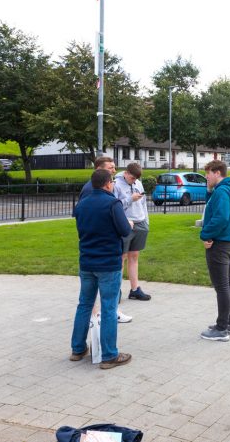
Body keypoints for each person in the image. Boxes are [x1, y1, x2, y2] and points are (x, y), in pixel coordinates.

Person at [69, 168, 134, 369]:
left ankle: (78, 348)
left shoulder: (82, 205)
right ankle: (109, 355)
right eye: (112, 182)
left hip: (87, 261)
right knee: (108, 307)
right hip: (108, 262)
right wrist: (129, 224)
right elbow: (124, 231)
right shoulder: (112, 203)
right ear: (107, 184)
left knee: (85, 304)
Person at [78, 156, 132, 324]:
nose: (114, 171)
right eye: (110, 168)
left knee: (86, 303)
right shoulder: (92, 193)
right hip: (104, 257)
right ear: (99, 171)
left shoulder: (94, 197)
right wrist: (125, 224)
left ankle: (79, 346)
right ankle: (98, 321)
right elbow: (94, 223)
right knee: (97, 304)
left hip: (90, 257)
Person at [199, 160, 230, 342]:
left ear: (217, 173)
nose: (206, 177)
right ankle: (228, 323)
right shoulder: (228, 189)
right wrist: (209, 190)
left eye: (208, 173)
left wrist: (205, 234)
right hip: (229, 242)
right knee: (228, 284)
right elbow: (213, 207)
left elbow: (220, 217)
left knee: (222, 286)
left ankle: (221, 328)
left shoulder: (222, 191)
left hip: (220, 244)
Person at [114, 162, 151, 301]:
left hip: (140, 222)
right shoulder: (116, 184)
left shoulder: (138, 184)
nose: (134, 181)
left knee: (134, 256)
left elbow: (143, 204)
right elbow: (114, 206)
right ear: (126, 173)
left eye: (136, 179)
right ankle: (116, 291)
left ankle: (135, 289)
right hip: (125, 224)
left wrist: (146, 221)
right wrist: (130, 199)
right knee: (121, 257)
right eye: (132, 178)